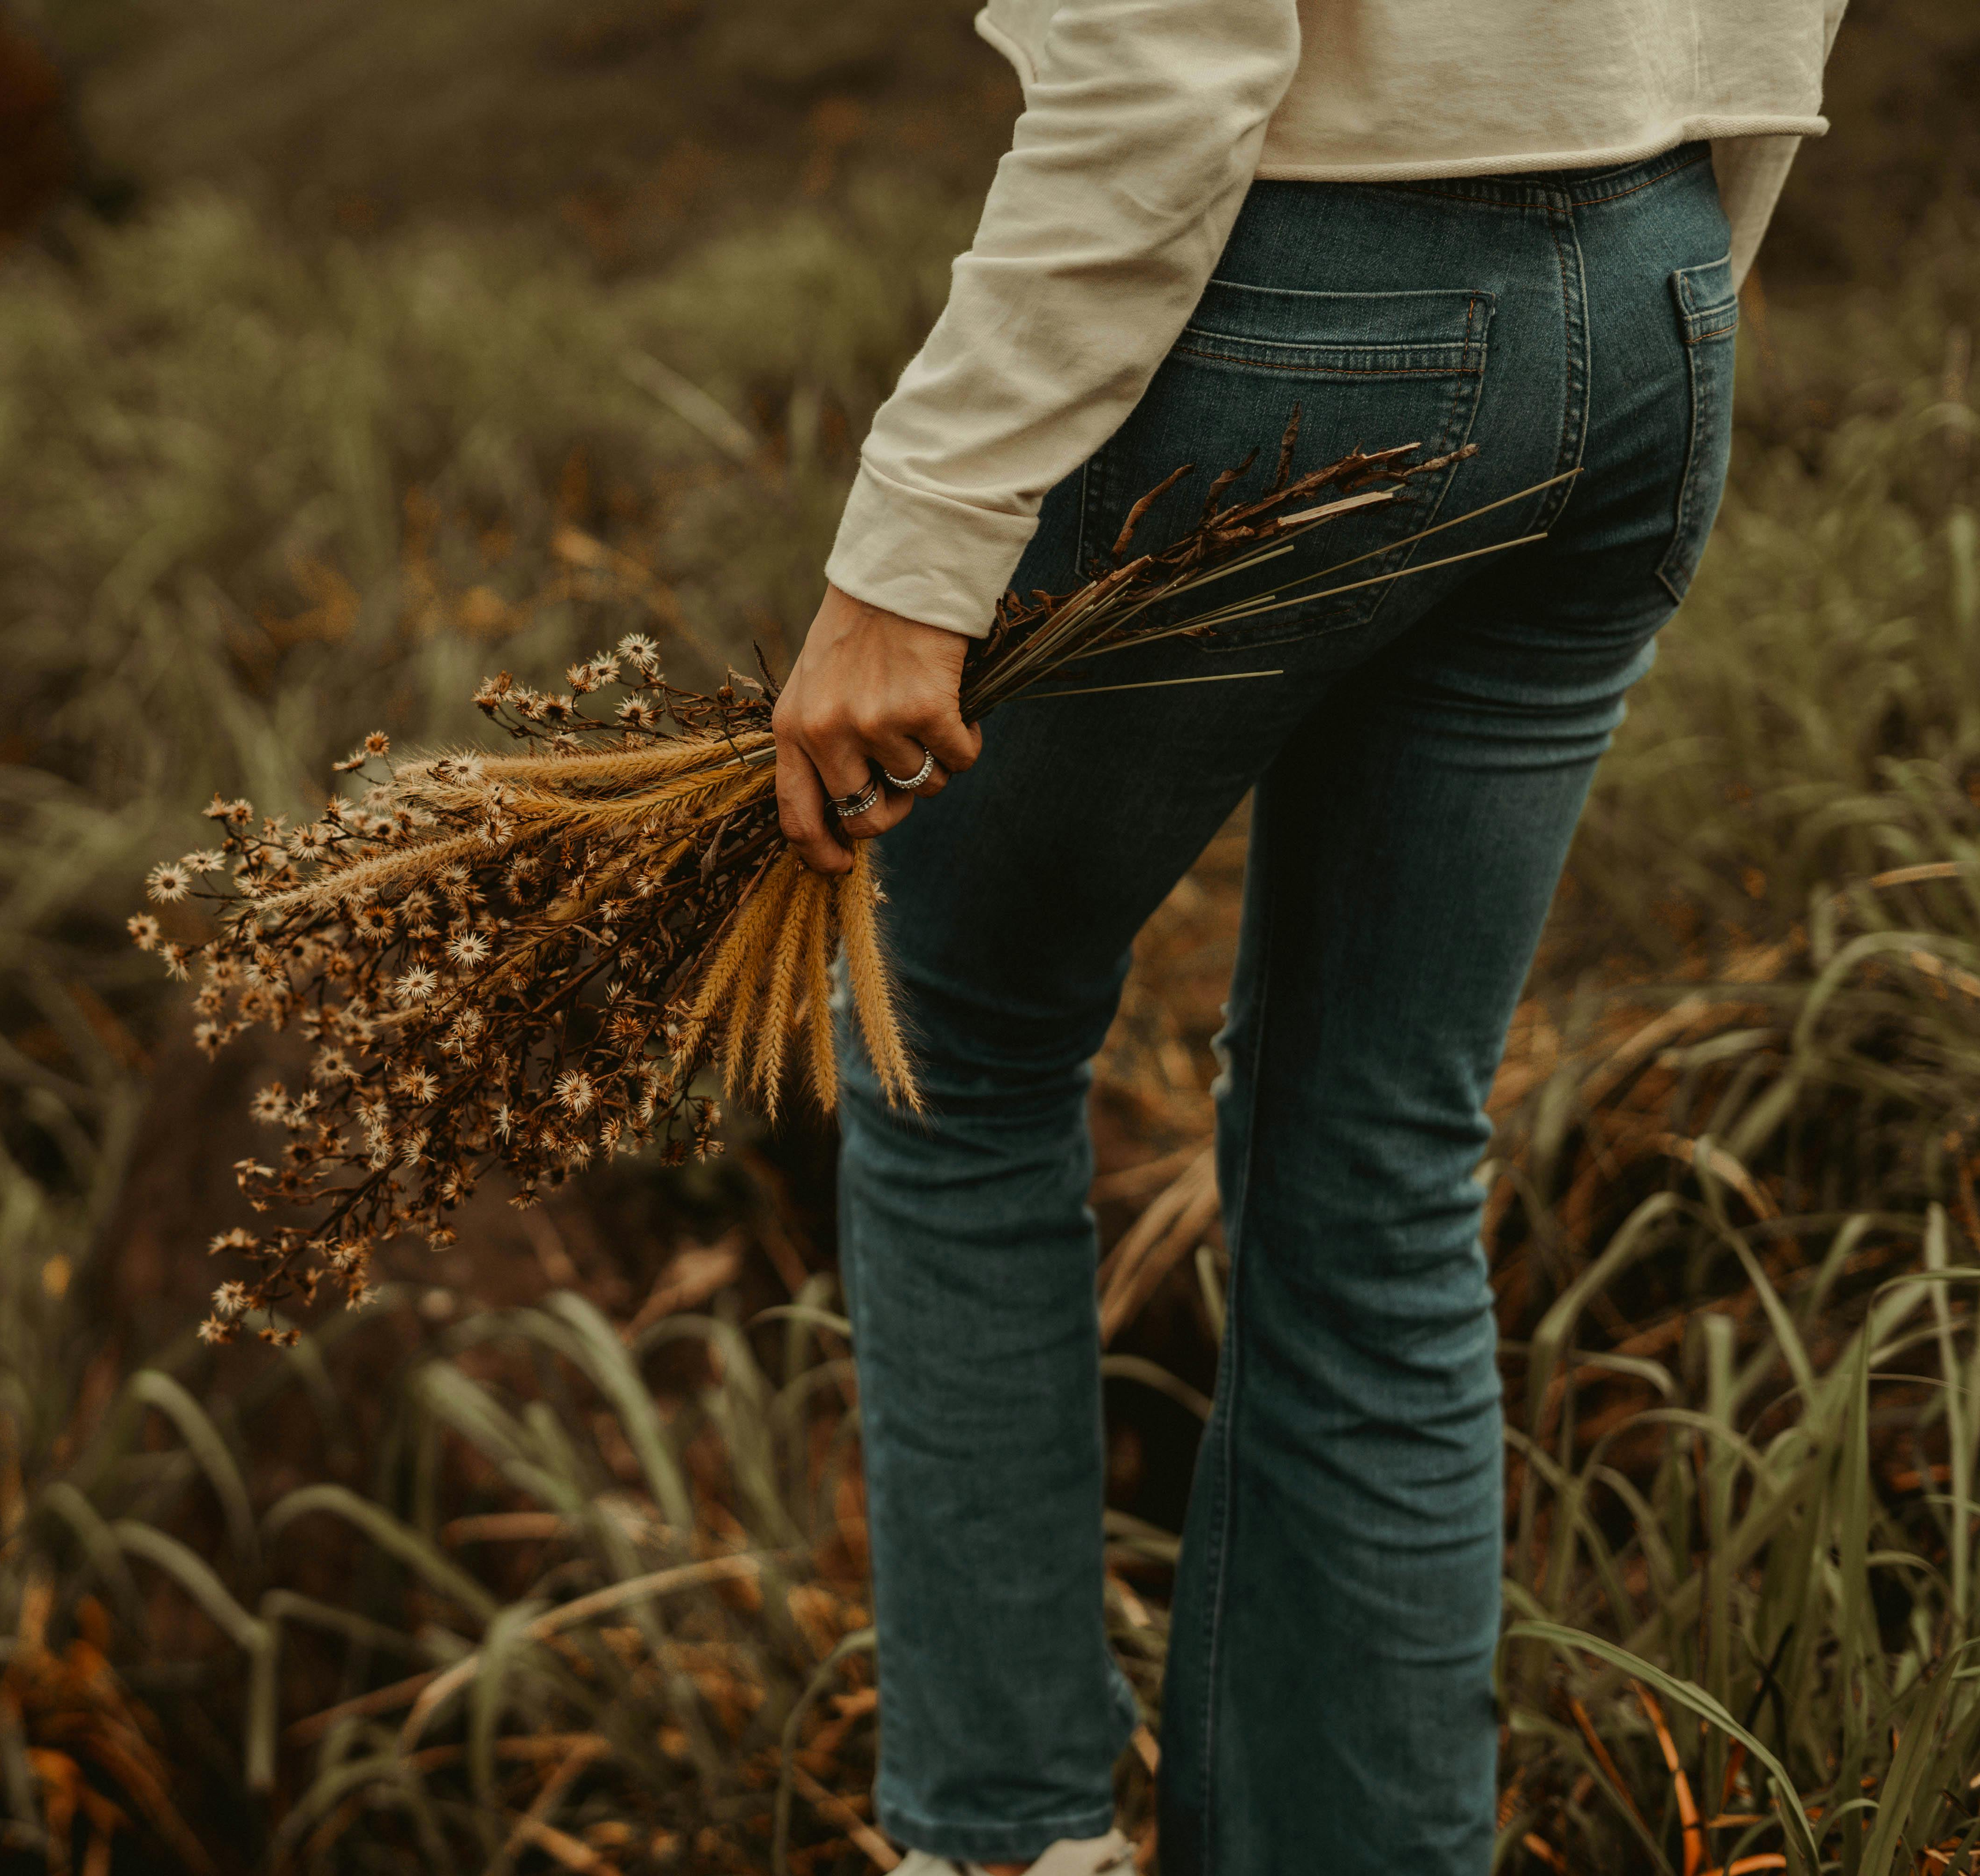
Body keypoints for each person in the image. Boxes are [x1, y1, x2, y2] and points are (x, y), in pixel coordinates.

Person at [765, 0, 1846, 1870]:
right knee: (1385, 1157)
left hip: (1306, 282)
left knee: (956, 1033)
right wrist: (1657, 263)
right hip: (1660, 288)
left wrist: (913, 551)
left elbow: (1164, 54)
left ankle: (1011, 1840)